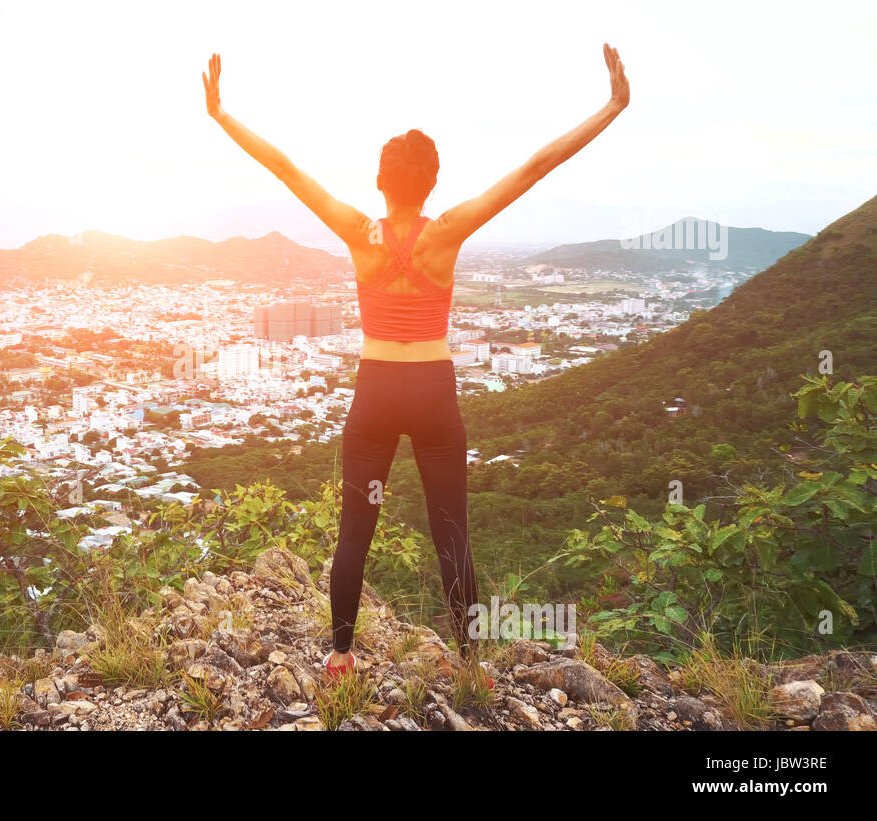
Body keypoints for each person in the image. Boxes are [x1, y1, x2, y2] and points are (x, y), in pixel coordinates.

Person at [202, 45, 630, 677]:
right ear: (433, 183)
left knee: (355, 531)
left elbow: (287, 171)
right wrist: (613, 106)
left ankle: (341, 656)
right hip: (433, 392)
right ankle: (470, 662)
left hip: (375, 391)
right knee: (451, 532)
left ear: (381, 181)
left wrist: (220, 115)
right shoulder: (447, 230)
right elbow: (537, 165)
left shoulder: (357, 230)